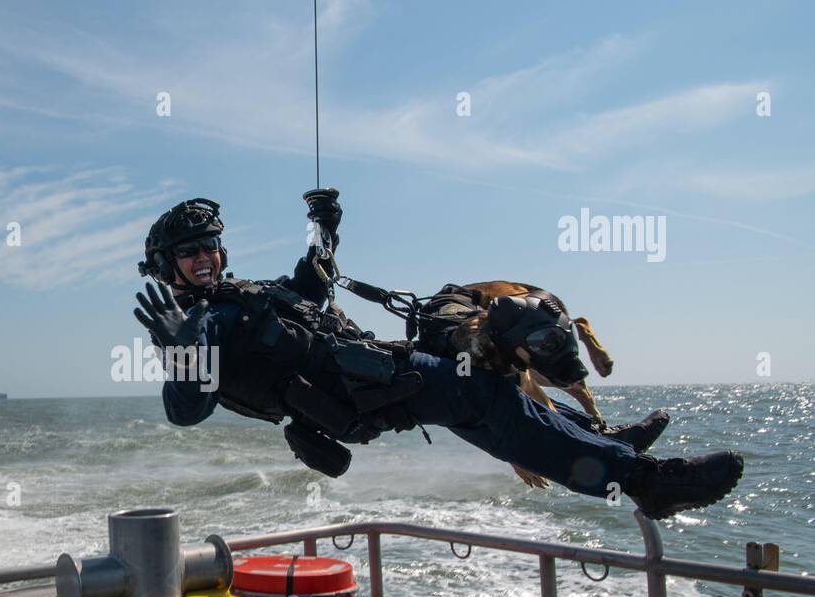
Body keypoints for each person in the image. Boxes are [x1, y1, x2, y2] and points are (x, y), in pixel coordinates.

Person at [132, 193, 743, 520]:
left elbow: (311, 282)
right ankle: (641, 481)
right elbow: (185, 414)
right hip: (355, 397)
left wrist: (324, 229)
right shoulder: (201, 326)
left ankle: (605, 443)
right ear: (167, 265)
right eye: (189, 251)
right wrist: (181, 351)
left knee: (488, 377)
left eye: (209, 244)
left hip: (376, 368)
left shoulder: (244, 297)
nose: (204, 256)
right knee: (482, 393)